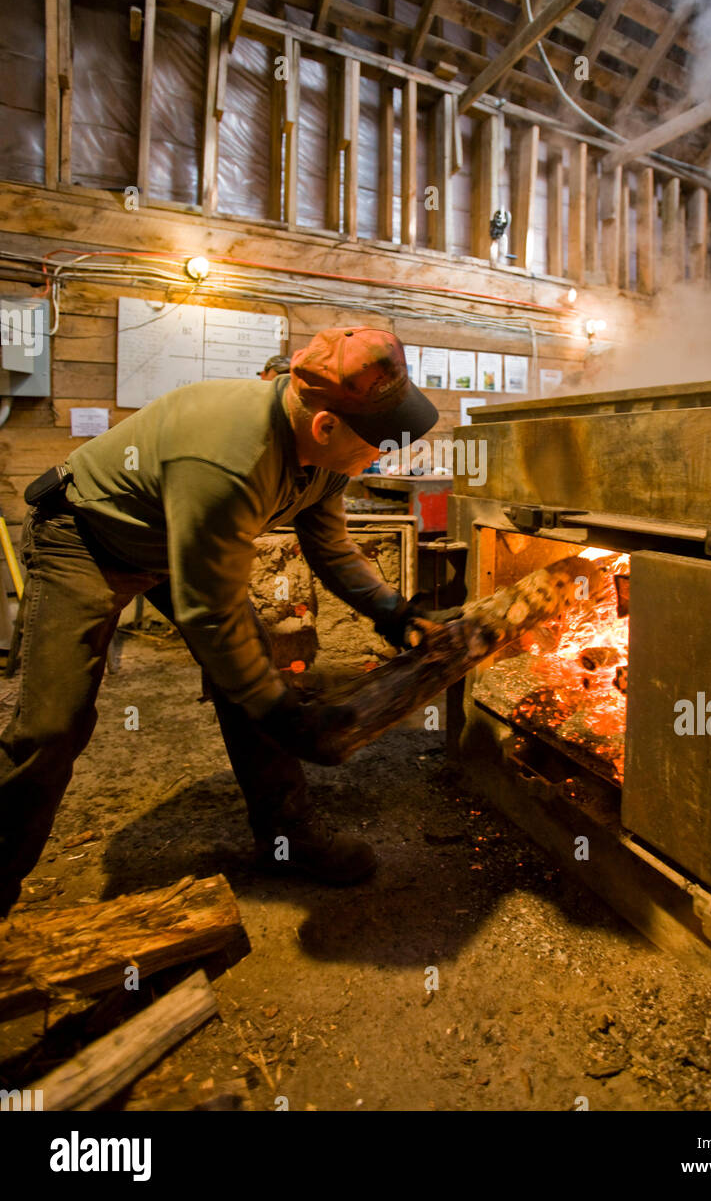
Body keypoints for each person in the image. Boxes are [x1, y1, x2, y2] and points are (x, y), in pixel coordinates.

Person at [0, 328, 441, 914]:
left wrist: (396, 613)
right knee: (53, 724)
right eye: (378, 442)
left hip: (168, 545)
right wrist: (281, 715)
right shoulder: (231, 456)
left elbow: (331, 549)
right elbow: (207, 606)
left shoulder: (326, 456)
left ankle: (288, 840)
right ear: (325, 426)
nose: (383, 454)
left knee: (259, 677)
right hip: (85, 539)